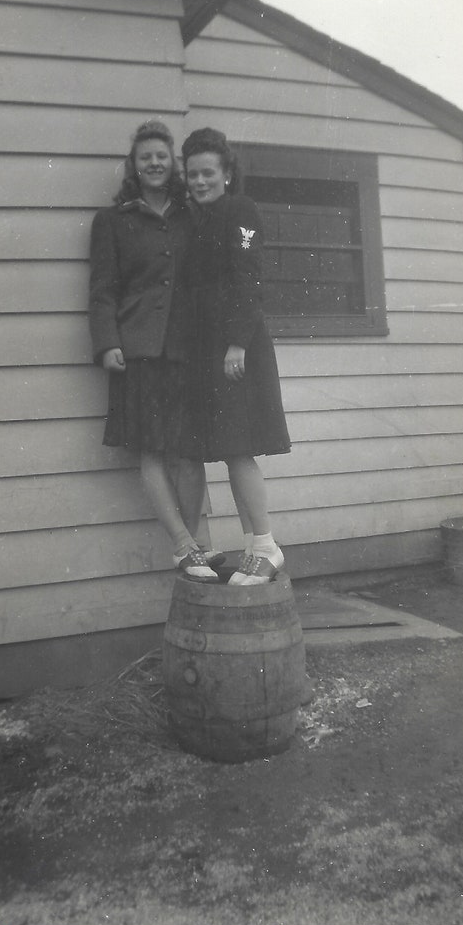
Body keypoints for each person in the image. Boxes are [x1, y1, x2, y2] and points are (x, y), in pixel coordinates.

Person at [88, 120, 220, 582]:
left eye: (162, 156)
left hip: (190, 349)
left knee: (190, 450)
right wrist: (107, 343)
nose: (155, 163)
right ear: (134, 165)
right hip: (138, 350)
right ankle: (183, 546)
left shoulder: (196, 214)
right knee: (153, 450)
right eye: (146, 157)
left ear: (174, 163)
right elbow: (103, 290)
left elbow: (242, 238)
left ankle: (199, 542)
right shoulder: (113, 222)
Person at [181, 127, 292, 586]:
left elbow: (249, 278)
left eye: (208, 172)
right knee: (229, 448)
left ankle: (266, 545)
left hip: (237, 349)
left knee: (240, 448)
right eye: (192, 175)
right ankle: (252, 547)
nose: (200, 181)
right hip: (210, 350)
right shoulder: (196, 218)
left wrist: (237, 343)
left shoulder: (240, 212)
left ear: (227, 173)